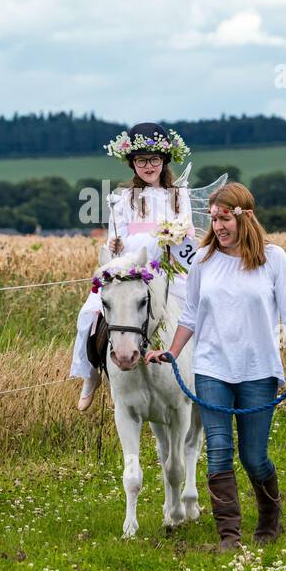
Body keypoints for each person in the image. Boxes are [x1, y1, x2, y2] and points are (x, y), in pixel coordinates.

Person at [145, 182, 286, 550]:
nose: (218, 226)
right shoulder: (204, 262)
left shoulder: (274, 260)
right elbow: (191, 315)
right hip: (212, 370)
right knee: (218, 449)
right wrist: (172, 351)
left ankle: (269, 517)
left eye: (225, 219)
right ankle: (229, 536)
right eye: (214, 219)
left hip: (259, 371)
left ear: (245, 217)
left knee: (254, 457)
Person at [71, 122, 195, 410]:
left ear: (164, 160)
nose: (148, 166)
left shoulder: (178, 195)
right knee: (88, 314)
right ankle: (90, 373)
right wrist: (113, 244)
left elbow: (186, 234)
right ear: (132, 163)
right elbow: (118, 237)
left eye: (154, 159)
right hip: (131, 271)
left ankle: (201, 372)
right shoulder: (123, 198)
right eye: (141, 160)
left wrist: (173, 235)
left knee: (198, 309)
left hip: (167, 269)